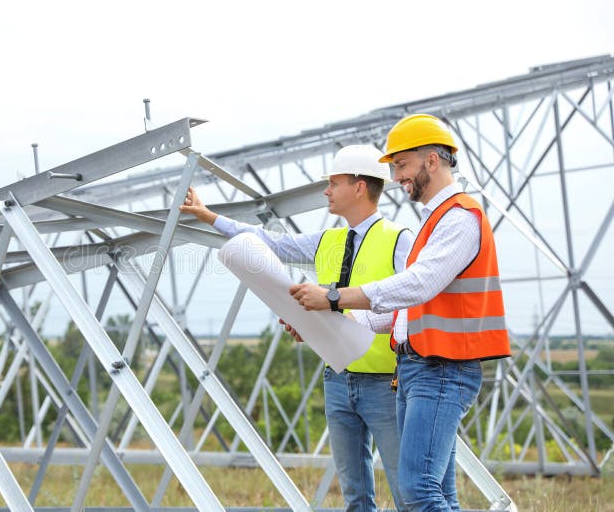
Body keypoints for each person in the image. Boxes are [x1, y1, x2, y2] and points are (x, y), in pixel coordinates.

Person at [290, 114, 511, 511]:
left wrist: (336, 298)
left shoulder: (459, 217)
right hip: (418, 368)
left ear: (431, 160)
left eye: (402, 165)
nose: (396, 176)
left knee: (418, 489)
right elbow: (406, 310)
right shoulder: (434, 222)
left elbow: (417, 284)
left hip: (443, 368)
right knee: (437, 493)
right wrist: (324, 324)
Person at [180, 145, 413, 511]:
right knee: (355, 495)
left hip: (384, 380)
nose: (326, 191)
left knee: (407, 490)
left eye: (333, 183)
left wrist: (342, 314)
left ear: (359, 188)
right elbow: (268, 241)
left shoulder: (400, 240)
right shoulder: (328, 241)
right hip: (337, 379)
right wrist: (209, 217)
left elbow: (406, 304)